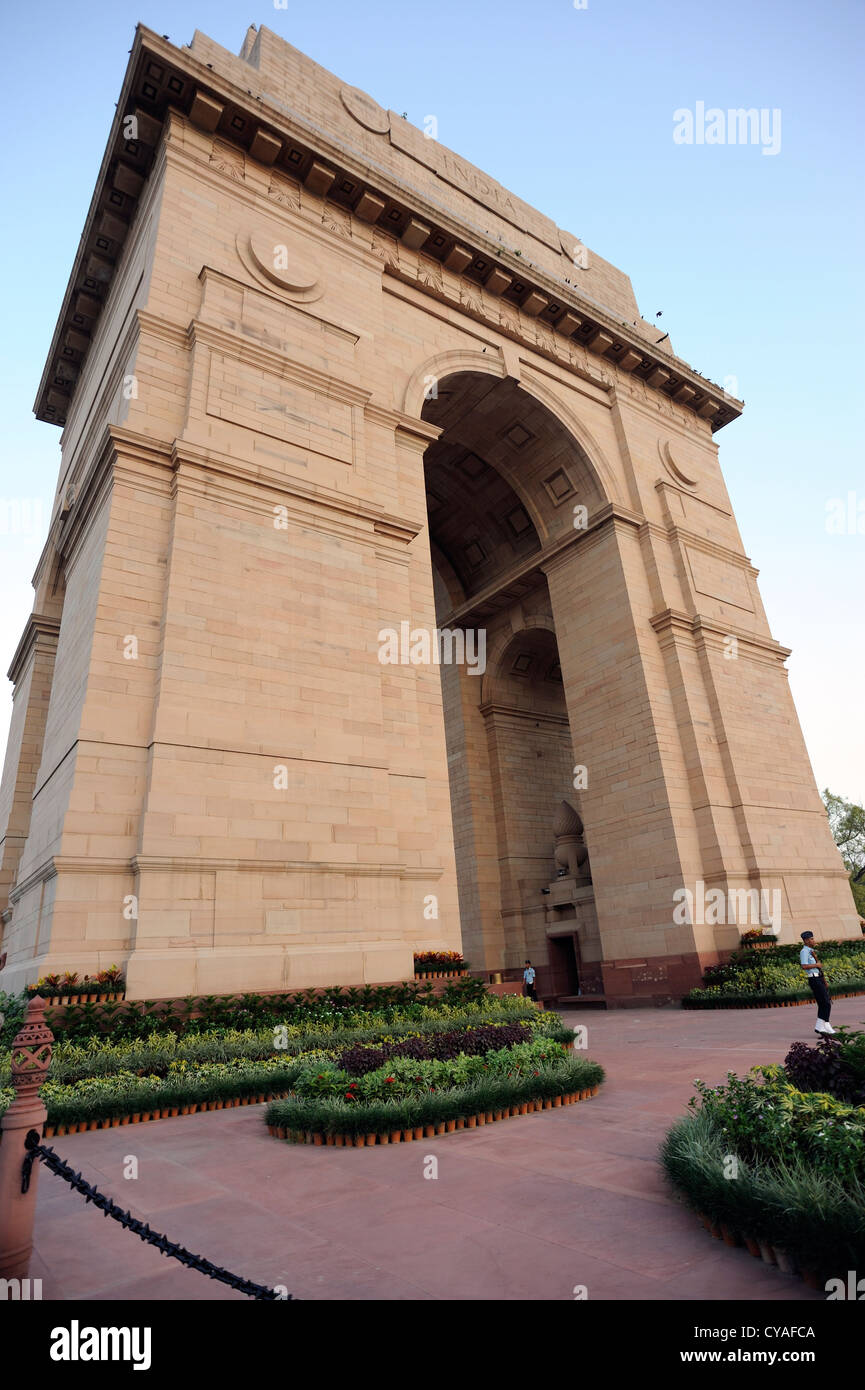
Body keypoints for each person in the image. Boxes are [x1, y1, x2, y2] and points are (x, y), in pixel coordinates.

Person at [799, 931, 835, 1035]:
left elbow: (818, 968)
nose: (813, 940)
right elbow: (804, 966)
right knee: (826, 1003)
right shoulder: (804, 952)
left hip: (818, 978)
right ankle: (826, 1024)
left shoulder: (811, 951)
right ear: (806, 941)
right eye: (811, 939)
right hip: (813, 979)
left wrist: (824, 980)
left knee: (823, 1003)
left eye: (813, 938)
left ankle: (819, 1027)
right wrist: (817, 965)